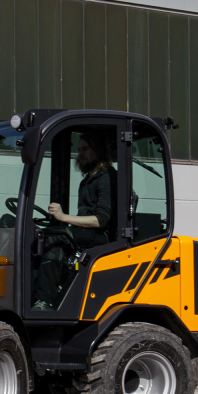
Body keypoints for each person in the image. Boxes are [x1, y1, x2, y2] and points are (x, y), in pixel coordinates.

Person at [32, 131, 116, 310]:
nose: (81, 154)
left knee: (57, 238)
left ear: (98, 150)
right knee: (41, 235)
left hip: (105, 236)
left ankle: (45, 301)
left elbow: (101, 221)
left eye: (85, 149)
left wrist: (63, 218)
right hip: (88, 234)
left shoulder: (107, 178)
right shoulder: (87, 181)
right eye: (79, 150)